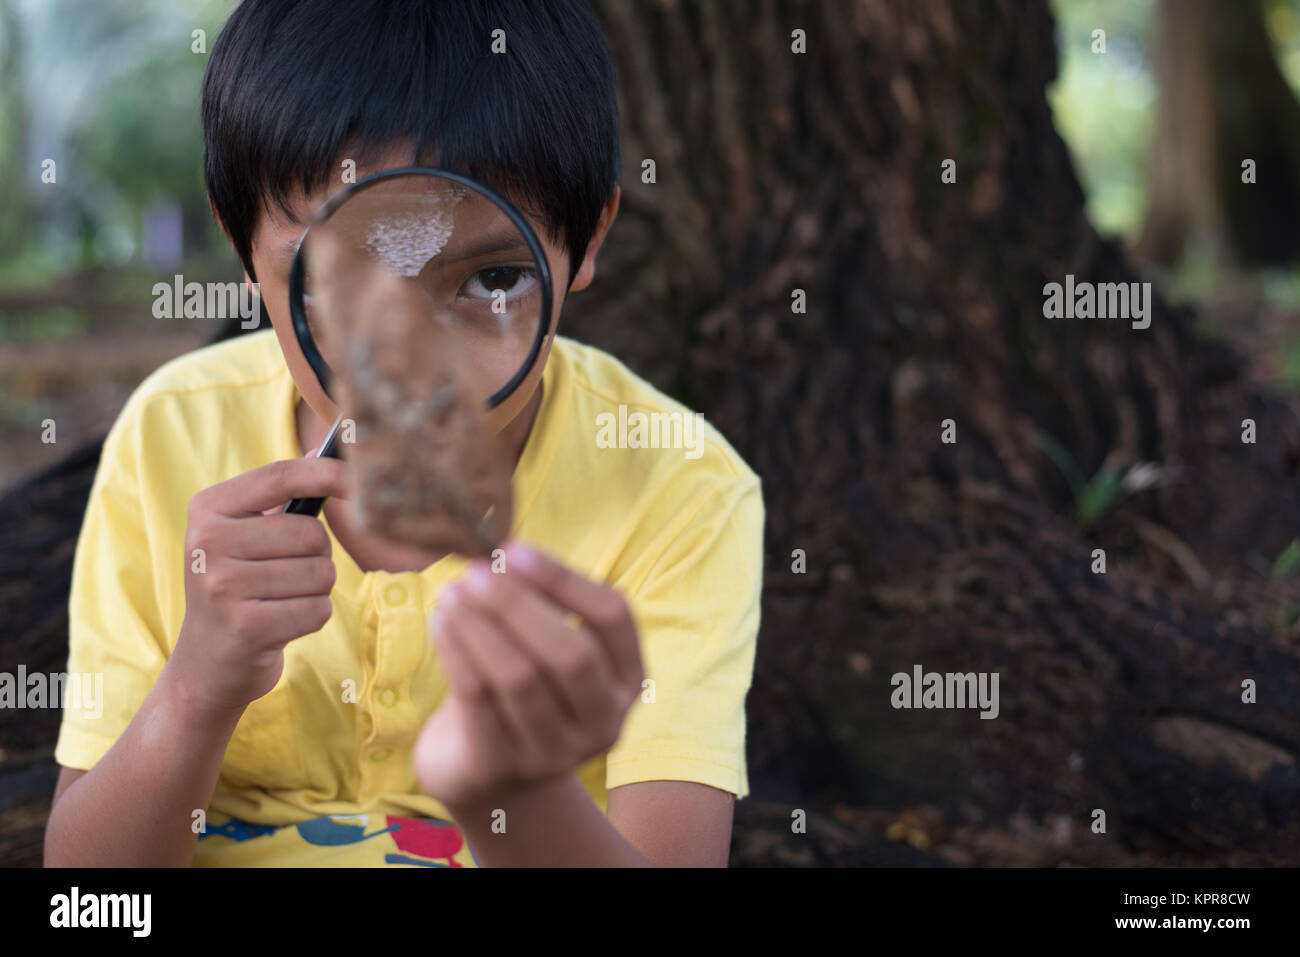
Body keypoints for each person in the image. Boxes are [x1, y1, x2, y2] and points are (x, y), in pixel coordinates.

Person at [44, 0, 763, 867]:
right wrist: (197, 687)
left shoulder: (680, 485)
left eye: (492, 278)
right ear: (239, 246)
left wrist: (518, 796)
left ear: (590, 238)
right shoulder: (169, 436)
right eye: (340, 277)